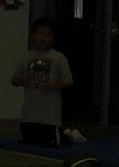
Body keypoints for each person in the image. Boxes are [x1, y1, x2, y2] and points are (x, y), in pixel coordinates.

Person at [10, 16, 83, 146]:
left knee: (52, 142)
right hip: (29, 116)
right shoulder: (26, 57)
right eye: (39, 34)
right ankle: (65, 132)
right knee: (29, 141)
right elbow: (14, 80)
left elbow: (68, 81)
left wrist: (53, 85)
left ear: (53, 37)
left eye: (47, 34)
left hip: (49, 117)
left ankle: (72, 136)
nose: (43, 38)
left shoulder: (58, 57)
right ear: (33, 36)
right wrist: (22, 80)